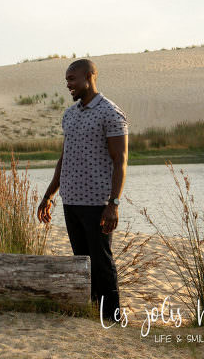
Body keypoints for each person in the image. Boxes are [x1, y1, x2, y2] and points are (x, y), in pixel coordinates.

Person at [36, 59, 128, 321]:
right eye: (66, 80)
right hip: (71, 201)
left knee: (101, 260)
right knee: (82, 260)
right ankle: (93, 311)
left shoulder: (111, 112)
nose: (68, 85)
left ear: (89, 77)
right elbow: (64, 158)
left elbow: (120, 160)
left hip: (98, 203)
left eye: (72, 79)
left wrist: (113, 204)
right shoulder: (70, 114)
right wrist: (48, 195)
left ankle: (112, 317)